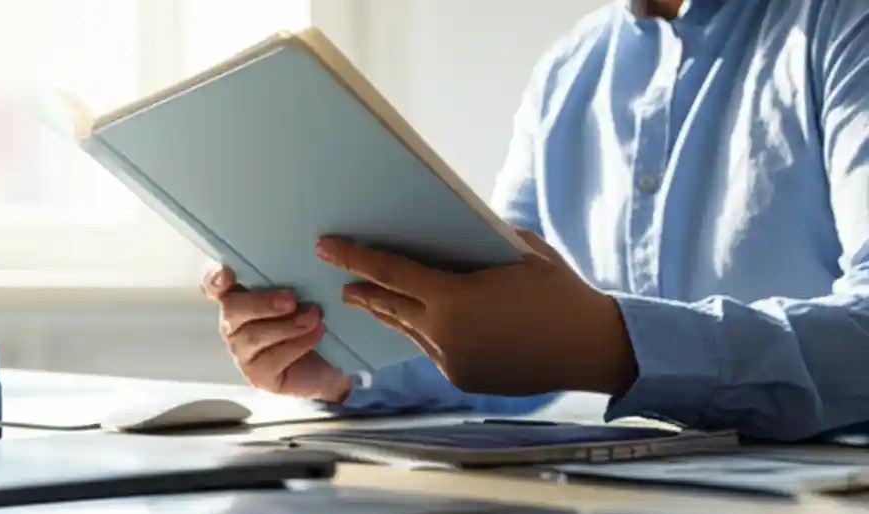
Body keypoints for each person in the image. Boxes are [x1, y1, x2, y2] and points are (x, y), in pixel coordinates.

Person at [201, 0, 868, 442]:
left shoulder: (846, 27)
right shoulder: (569, 71)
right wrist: (345, 365)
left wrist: (614, 346)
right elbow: (507, 333)